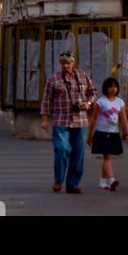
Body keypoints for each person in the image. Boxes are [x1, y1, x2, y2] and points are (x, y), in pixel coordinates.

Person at [40, 51, 97, 194]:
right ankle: (58, 179)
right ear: (60, 64)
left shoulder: (83, 76)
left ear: (73, 62)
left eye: (68, 62)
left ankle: (72, 183)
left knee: (78, 154)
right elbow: (46, 100)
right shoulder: (53, 79)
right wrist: (45, 119)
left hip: (80, 121)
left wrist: (88, 103)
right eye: (63, 63)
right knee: (61, 149)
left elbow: (93, 92)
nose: (66, 65)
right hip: (61, 121)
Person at [87, 77, 128, 191]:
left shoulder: (120, 102)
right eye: (110, 87)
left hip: (114, 133)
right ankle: (111, 179)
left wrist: (127, 133)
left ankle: (102, 180)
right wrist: (90, 135)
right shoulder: (101, 102)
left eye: (115, 87)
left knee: (108, 156)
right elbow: (93, 119)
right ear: (106, 88)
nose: (113, 89)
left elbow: (124, 119)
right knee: (107, 156)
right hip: (102, 132)